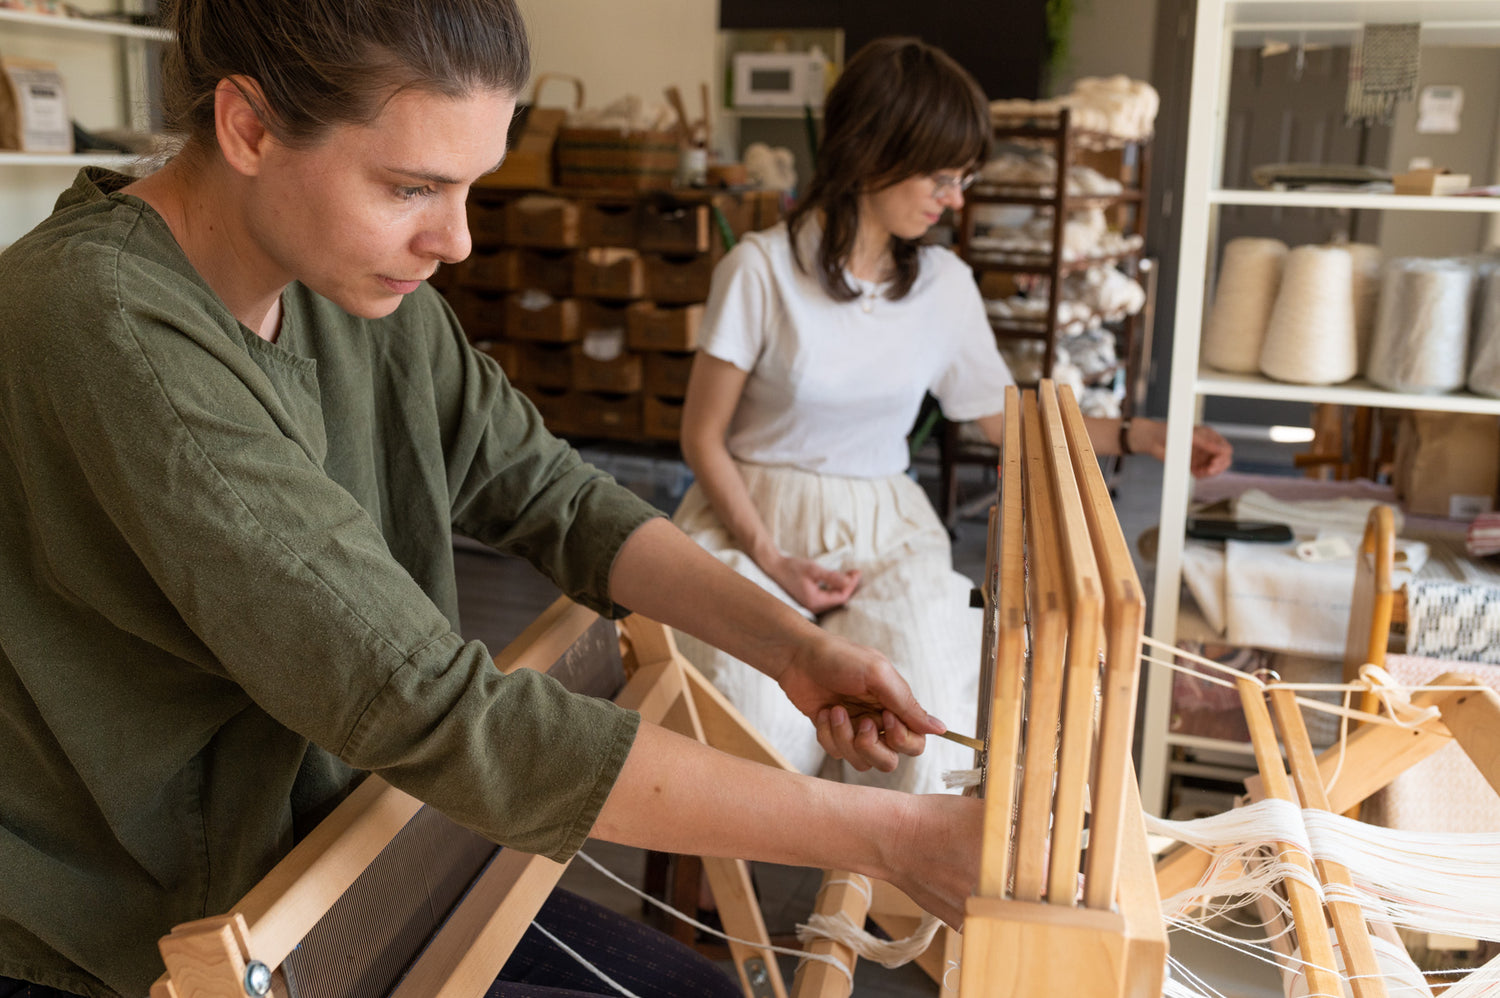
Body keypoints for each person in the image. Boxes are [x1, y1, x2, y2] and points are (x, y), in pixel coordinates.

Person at [0, 5, 982, 997]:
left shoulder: (353, 283)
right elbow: (422, 700)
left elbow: (547, 491)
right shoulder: (105, 326)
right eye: (412, 186)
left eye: (469, 187)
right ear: (248, 127)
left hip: (336, 857)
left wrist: (793, 645)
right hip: (150, 934)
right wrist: (890, 835)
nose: (457, 239)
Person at [675, 37, 1233, 796]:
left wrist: (1140, 434)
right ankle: (725, 899)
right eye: (943, 176)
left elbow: (1004, 420)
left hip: (884, 528)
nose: (957, 199)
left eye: (963, 178)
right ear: (873, 153)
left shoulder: (943, 285)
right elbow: (701, 437)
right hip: (751, 523)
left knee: (922, 722)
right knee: (755, 733)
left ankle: (871, 910)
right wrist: (772, 558)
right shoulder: (759, 270)